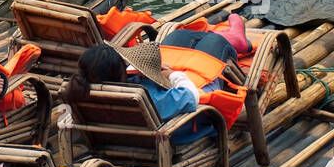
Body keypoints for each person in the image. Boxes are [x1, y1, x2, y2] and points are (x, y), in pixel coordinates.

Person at [62, 30, 237, 143]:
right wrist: (171, 75)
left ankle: (223, 35)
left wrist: (150, 69)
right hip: (177, 126)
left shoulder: (81, 90)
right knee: (215, 41)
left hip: (125, 137)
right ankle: (233, 39)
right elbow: (191, 94)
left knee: (180, 35)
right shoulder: (143, 99)